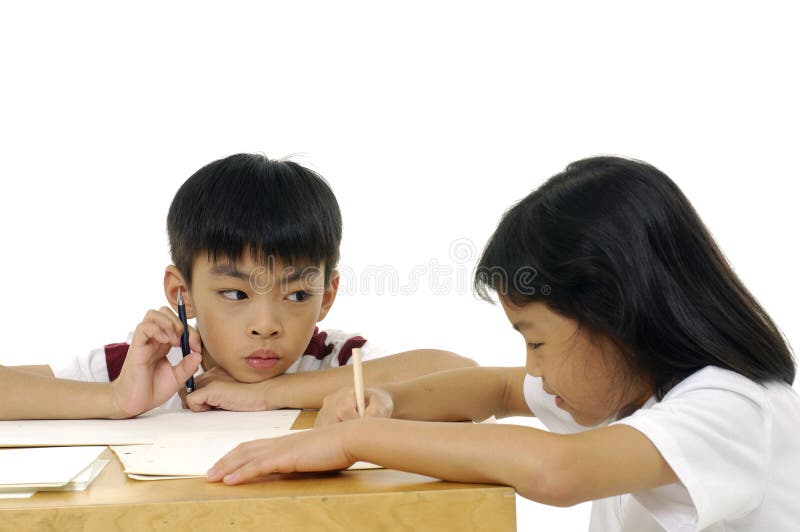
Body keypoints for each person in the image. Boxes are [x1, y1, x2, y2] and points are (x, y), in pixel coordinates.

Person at [208, 156, 799, 531]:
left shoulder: (733, 406)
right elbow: (495, 386)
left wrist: (357, 438)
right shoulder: (632, 386)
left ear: (617, 318)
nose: (532, 367)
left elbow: (558, 472)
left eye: (536, 342)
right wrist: (390, 403)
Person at [1, 153, 474, 420]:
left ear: (327, 296)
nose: (266, 326)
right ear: (180, 292)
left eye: (297, 295)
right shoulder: (147, 368)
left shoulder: (336, 360)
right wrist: (113, 400)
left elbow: (463, 375)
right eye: (235, 294)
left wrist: (271, 394)